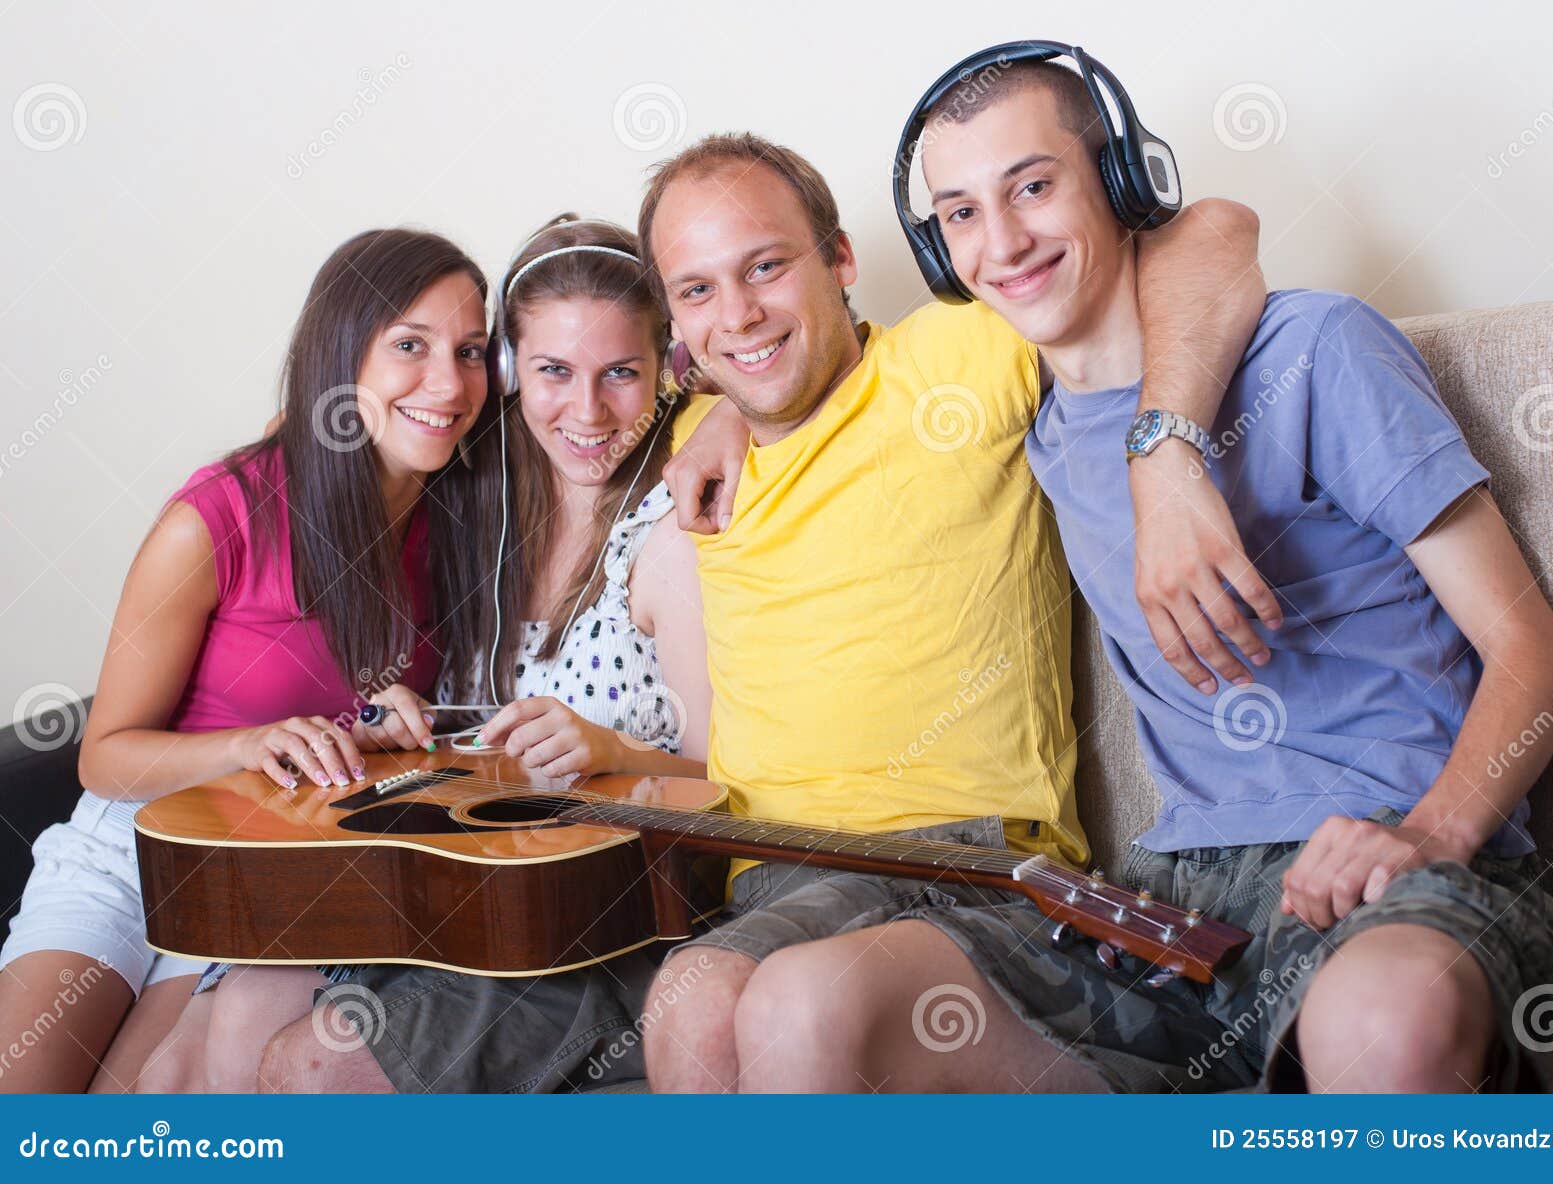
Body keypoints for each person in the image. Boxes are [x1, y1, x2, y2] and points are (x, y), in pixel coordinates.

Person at [727, 53, 1553, 1093]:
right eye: (960, 213)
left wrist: (1429, 831)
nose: (1002, 242)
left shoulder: (1315, 349)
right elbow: (812, 383)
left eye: (1033, 186)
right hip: (1172, 913)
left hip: (1385, 873)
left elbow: (1539, 652)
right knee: (800, 999)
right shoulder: (1025, 420)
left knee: (1380, 1018)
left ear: (1124, 182)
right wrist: (718, 416)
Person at [627, 128, 1269, 1092]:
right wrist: (725, 409)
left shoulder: (958, 355)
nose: (739, 313)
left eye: (766, 267)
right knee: (688, 1001)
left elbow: (1215, 232)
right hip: (774, 874)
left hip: (968, 870)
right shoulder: (693, 448)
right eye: (698, 290)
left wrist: (1168, 452)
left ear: (841, 259)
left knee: (790, 1003)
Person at [214, 216, 712, 1095]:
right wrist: (389, 723)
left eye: (621, 372)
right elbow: (316, 439)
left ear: (664, 368)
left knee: (316, 1067)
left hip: (599, 921)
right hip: (466, 891)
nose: (587, 411)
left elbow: (722, 780)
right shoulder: (478, 496)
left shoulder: (668, 535)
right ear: (510, 371)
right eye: (553, 371)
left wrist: (613, 752)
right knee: (242, 1007)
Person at [0, 228, 497, 1092]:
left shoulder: (467, 519)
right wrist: (248, 744)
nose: (449, 383)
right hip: (132, 850)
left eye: (472, 351)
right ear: (341, 357)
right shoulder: (217, 517)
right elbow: (104, 756)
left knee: (142, 1121)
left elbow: (615, 380)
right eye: (410, 346)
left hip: (269, 869)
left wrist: (382, 726)